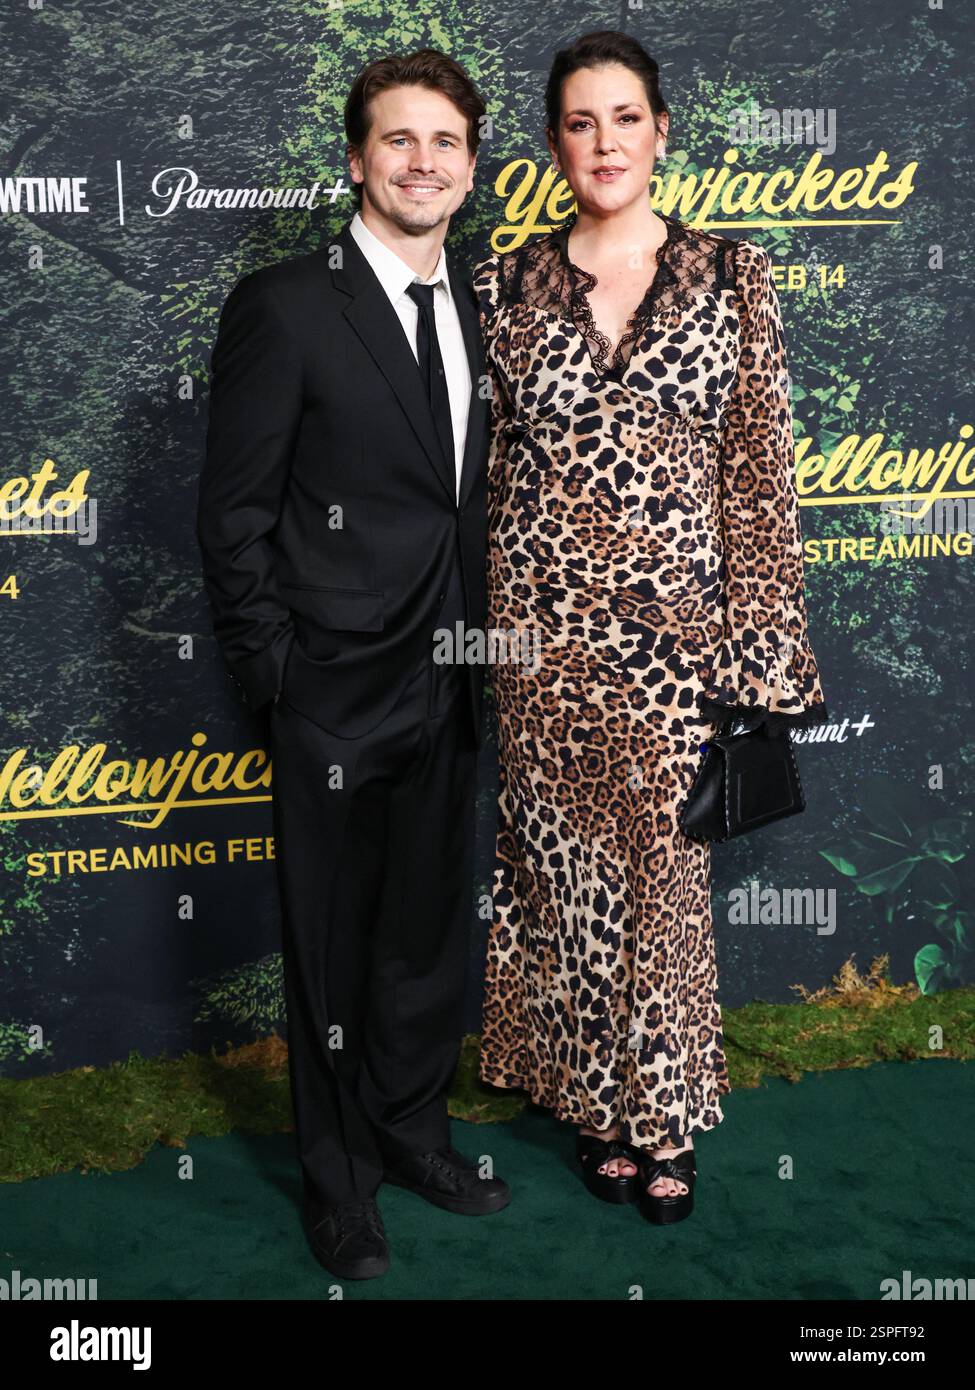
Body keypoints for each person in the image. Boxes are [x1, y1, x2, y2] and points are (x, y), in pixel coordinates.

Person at [473, 30, 827, 1226]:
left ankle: (664, 1114)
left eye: (625, 118)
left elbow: (760, 478)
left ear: (662, 131)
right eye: (580, 122)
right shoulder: (503, 286)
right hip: (541, 646)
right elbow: (479, 478)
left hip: (677, 649)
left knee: (663, 892)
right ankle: (591, 1105)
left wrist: (760, 652)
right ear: (554, 143)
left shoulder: (732, 275)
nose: (605, 142)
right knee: (563, 884)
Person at [197, 49, 509, 1282]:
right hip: (329, 690)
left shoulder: (483, 298)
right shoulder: (287, 302)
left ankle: (414, 1132)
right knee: (330, 945)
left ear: (472, 166)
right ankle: (338, 1184)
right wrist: (277, 674)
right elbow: (232, 516)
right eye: (398, 140)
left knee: (427, 938)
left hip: (457, 676)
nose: (423, 162)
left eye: (445, 142)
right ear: (355, 158)